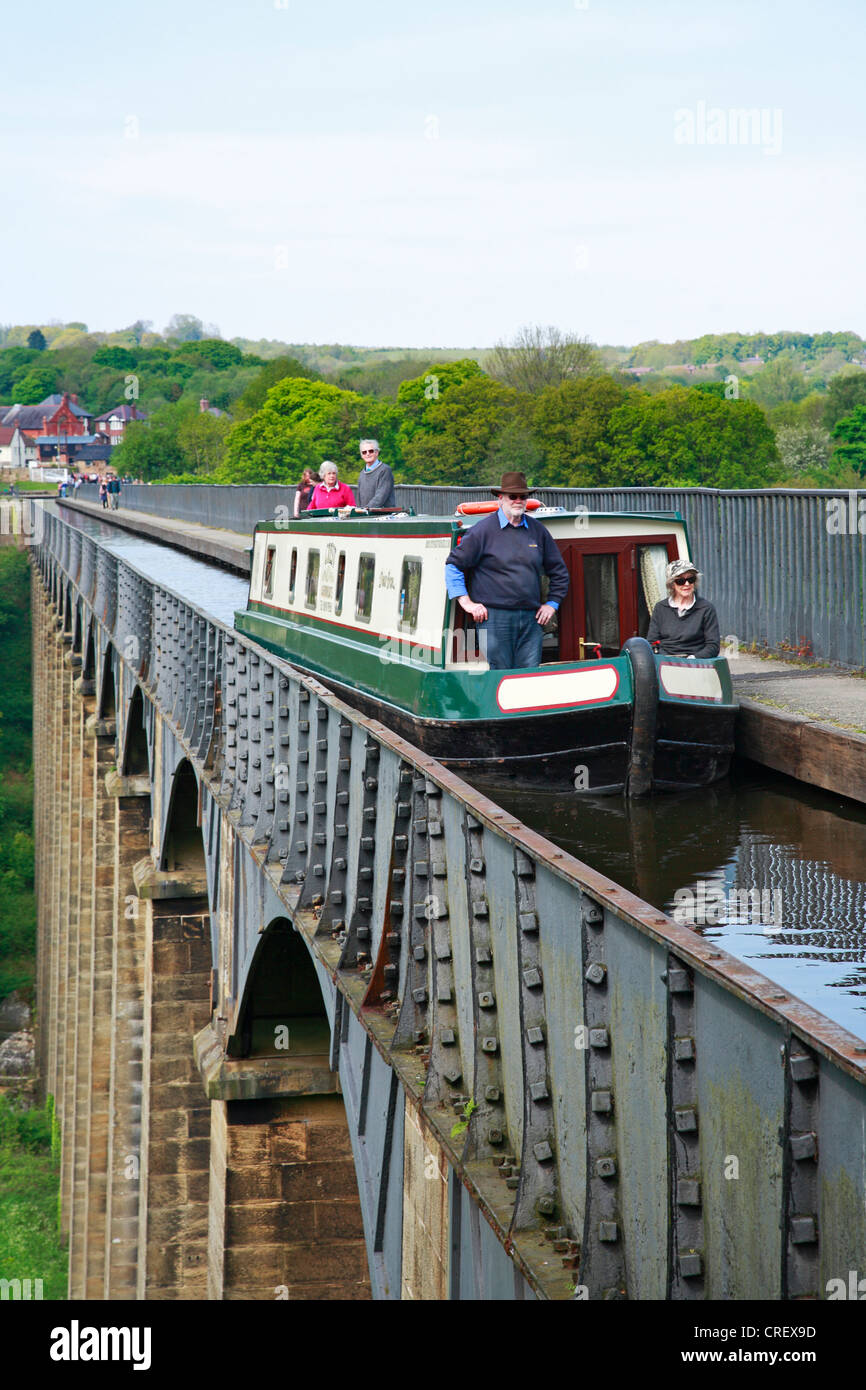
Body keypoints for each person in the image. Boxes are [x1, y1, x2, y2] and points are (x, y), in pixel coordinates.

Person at [445, 470, 569, 670]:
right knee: (500, 676)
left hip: (531, 619)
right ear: (501, 499)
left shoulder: (538, 531)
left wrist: (552, 604)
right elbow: (453, 565)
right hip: (494, 619)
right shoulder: (482, 531)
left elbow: (559, 572)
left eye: (523, 496)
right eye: (513, 496)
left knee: (529, 676)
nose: (518, 501)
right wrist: (466, 603)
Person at [647, 559, 720, 658]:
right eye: (680, 581)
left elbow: (713, 646)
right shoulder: (660, 608)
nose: (686, 584)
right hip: (664, 662)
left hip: (695, 664)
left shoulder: (706, 608)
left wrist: (693, 659)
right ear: (672, 584)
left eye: (691, 579)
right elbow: (652, 642)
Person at [356, 438, 396, 509]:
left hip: (383, 515)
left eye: (370, 451)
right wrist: (360, 511)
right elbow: (359, 498)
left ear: (376, 452)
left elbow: (381, 495)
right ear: (361, 455)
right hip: (366, 515)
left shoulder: (385, 470)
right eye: (364, 452)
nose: (367, 454)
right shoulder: (362, 473)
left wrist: (367, 508)